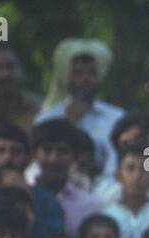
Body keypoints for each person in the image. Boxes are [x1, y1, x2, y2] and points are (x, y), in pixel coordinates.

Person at [34, 39, 124, 180]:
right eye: (78, 73)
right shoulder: (47, 118)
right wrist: (71, 121)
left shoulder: (117, 118)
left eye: (91, 73)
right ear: (67, 76)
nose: (85, 79)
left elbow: (117, 162)